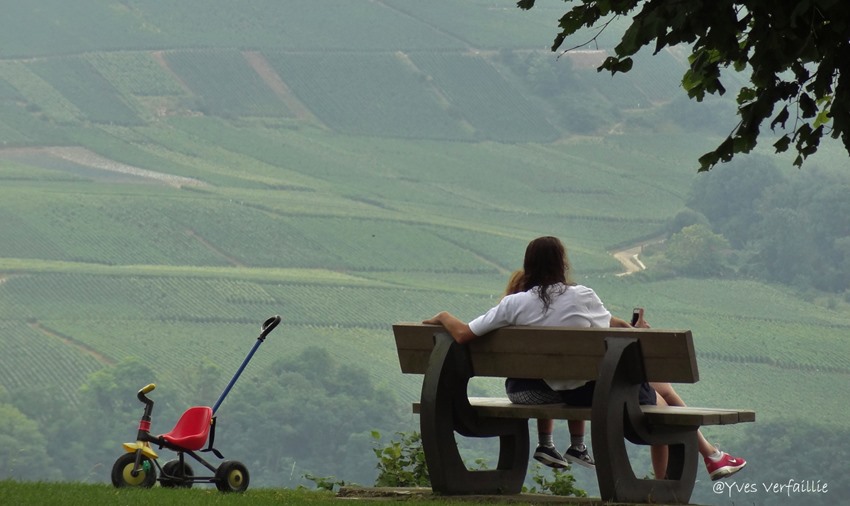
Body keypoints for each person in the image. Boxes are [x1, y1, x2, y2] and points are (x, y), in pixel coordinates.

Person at [424, 236, 746, 481]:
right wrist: (638, 330)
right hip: (594, 391)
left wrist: (443, 316)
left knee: (660, 390)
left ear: (530, 265)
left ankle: (711, 455)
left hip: (555, 389)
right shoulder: (582, 296)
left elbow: (464, 334)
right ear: (561, 264)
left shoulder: (515, 304)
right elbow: (616, 329)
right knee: (661, 401)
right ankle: (693, 466)